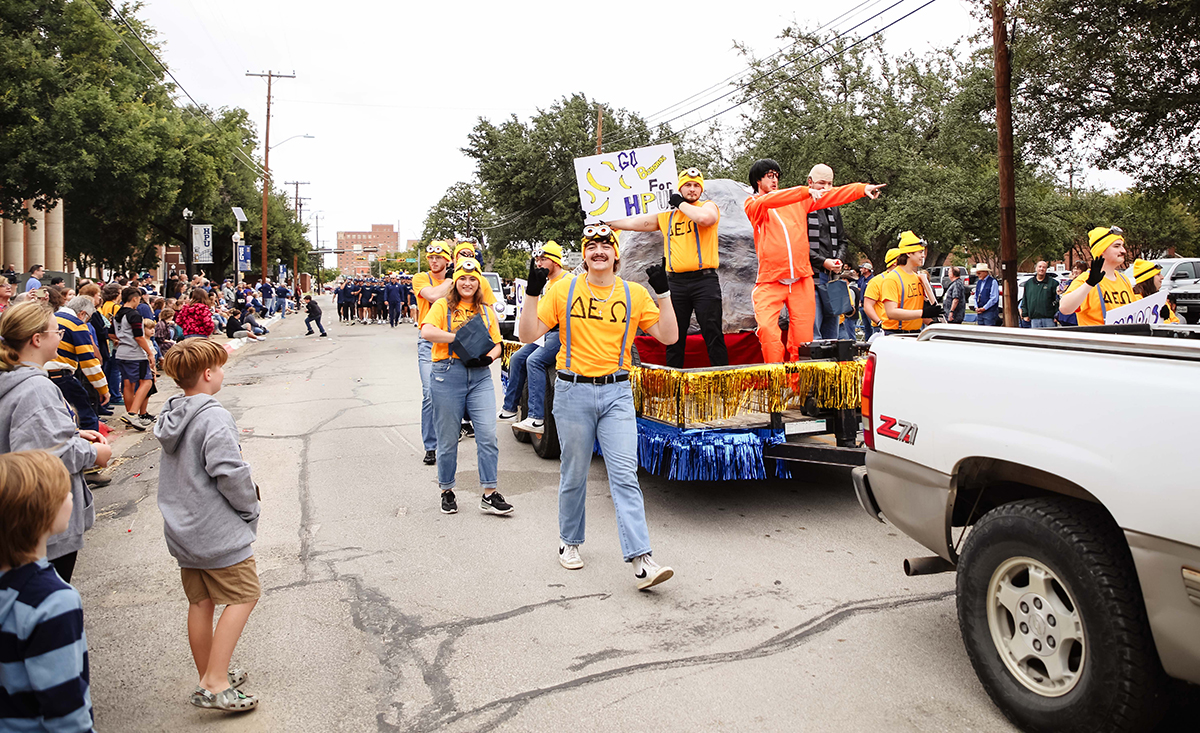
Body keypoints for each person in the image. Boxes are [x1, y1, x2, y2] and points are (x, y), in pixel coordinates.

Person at [518, 225, 678, 590]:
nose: (599, 250)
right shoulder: (563, 289)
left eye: (607, 244)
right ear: (584, 254)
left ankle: (642, 560)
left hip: (617, 393)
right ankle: (570, 542)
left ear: (616, 254)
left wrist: (665, 292)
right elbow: (528, 335)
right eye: (592, 245)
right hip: (573, 392)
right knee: (574, 474)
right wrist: (531, 292)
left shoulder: (633, 293)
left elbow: (669, 337)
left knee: (624, 475)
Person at [155, 338, 261, 713]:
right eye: (219, 368)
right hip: (215, 528)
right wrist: (250, 509)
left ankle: (209, 674)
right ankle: (215, 681)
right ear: (207, 373)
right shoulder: (213, 415)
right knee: (245, 594)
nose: (221, 374)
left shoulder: (172, 413)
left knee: (200, 602)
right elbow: (229, 472)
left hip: (182, 527)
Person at [0, 300, 111, 582]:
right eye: (57, 332)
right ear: (37, 339)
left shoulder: (11, 379)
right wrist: (93, 453)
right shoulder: (35, 389)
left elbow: (31, 436)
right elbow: (47, 456)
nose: (61, 337)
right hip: (42, 524)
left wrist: (73, 434)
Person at [743, 159, 885, 361]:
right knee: (767, 330)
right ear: (758, 180)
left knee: (803, 340)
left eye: (776, 176)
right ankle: (774, 378)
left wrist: (862, 189)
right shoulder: (753, 204)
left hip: (801, 280)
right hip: (770, 280)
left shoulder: (798, 201)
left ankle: (797, 386)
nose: (775, 180)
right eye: (769, 176)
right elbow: (768, 201)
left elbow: (833, 195)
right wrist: (804, 191)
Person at [0, 450, 94, 732]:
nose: (72, 496)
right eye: (65, 492)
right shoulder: (54, 602)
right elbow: (65, 710)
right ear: (43, 513)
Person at [419, 258, 512, 516]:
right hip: (448, 374)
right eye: (462, 278)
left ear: (479, 282)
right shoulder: (442, 306)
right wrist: (459, 339)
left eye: (473, 279)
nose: (467, 283)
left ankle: (490, 493)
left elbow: (497, 343)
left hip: (479, 376)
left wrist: (488, 357)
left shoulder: (485, 310)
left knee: (487, 435)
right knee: (448, 439)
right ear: (455, 281)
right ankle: (447, 490)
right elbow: (427, 331)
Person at [608, 168, 727, 367]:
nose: (692, 189)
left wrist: (679, 202)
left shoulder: (708, 206)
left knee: (712, 333)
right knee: (674, 337)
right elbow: (635, 222)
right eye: (687, 185)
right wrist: (607, 221)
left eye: (696, 185)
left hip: (704, 281)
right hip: (677, 283)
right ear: (680, 187)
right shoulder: (667, 215)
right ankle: (674, 390)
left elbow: (706, 219)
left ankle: (724, 384)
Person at [502, 242, 568, 434]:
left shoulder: (567, 280)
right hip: (545, 331)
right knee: (517, 358)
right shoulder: (547, 283)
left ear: (555, 262)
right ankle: (510, 408)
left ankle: (537, 417)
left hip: (561, 332)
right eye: (537, 259)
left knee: (535, 361)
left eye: (543, 259)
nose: (538, 263)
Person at [412, 242, 453, 465]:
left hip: (452, 341)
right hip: (428, 341)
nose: (434, 261)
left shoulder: (460, 278)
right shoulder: (421, 278)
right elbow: (433, 296)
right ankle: (431, 446)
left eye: (438, 257)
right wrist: (450, 280)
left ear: (447, 259)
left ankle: (451, 435)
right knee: (430, 393)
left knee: (451, 394)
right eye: (431, 257)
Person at [804, 165, 854, 340]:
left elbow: (842, 240)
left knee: (833, 332)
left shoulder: (834, 207)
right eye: (821, 183)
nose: (826, 188)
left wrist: (838, 260)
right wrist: (823, 261)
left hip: (832, 279)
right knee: (814, 333)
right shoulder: (801, 205)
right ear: (810, 182)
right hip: (810, 279)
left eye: (830, 184)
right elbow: (799, 244)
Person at [1060, 226, 1135, 327]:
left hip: (1122, 340)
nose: (1123, 251)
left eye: (1122, 246)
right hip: (1098, 341)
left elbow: (1135, 312)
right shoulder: (1085, 279)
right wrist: (1089, 284)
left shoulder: (1124, 279)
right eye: (1117, 246)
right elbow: (1065, 308)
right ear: (1102, 250)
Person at [880, 232, 942, 334]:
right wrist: (924, 313)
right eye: (920, 252)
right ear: (908, 253)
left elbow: (914, 309)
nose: (923, 256)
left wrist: (932, 322)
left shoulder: (918, 278)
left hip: (915, 333)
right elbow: (891, 312)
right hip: (895, 334)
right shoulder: (892, 279)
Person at [113, 286, 157, 430]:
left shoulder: (117, 314)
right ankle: (132, 414)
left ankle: (130, 416)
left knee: (128, 384)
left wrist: (121, 339)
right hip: (135, 354)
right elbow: (139, 336)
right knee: (147, 382)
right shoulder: (134, 315)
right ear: (134, 298)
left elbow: (110, 333)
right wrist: (150, 353)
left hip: (121, 352)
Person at [862, 248, 900, 334]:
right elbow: (867, 306)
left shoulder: (904, 279)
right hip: (884, 328)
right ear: (895, 262)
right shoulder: (877, 281)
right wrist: (879, 323)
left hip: (903, 326)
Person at [1131, 259, 1180, 323]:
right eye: (1158, 274)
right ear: (1149, 278)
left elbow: (1176, 322)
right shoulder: (1136, 300)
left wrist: (1166, 320)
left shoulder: (1159, 299)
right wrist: (1164, 321)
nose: (1162, 277)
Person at [1021, 261, 1059, 328]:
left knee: (1050, 338)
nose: (1041, 269)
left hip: (1049, 319)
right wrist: (1025, 314)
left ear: (1046, 269)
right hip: (1034, 319)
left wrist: (1057, 315)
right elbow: (1025, 299)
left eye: (1044, 267)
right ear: (1036, 268)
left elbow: (1057, 300)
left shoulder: (1053, 283)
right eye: (1040, 267)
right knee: (1036, 338)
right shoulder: (1029, 284)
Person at [1055, 261, 1086, 327]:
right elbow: (1061, 294)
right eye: (1074, 268)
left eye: (1078, 269)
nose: (1075, 271)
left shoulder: (1084, 282)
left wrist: (1071, 281)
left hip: (1075, 316)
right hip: (1064, 316)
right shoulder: (1067, 282)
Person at [855, 263, 875, 339]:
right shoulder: (862, 279)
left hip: (870, 306)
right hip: (862, 305)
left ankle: (872, 342)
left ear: (867, 269)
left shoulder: (872, 280)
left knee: (871, 326)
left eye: (862, 268)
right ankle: (867, 343)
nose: (860, 270)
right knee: (866, 327)